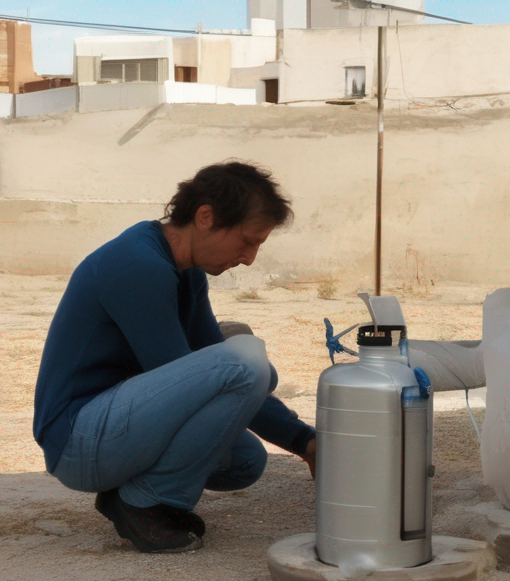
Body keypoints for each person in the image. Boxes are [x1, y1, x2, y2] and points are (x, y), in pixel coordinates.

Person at [32, 161, 315, 553]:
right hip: (79, 440)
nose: (249, 258)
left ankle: (129, 495)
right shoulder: (138, 264)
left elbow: (201, 372)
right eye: (247, 241)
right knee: (247, 360)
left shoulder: (187, 272)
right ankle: (142, 502)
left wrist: (305, 442)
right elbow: (190, 374)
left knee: (245, 459)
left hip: (112, 428)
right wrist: (301, 438)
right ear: (205, 216)